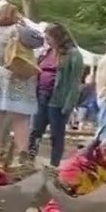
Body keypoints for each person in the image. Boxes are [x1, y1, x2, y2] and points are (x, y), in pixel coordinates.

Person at [0, 3, 44, 164]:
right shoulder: (19, 31)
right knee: (20, 117)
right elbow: (39, 40)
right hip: (15, 73)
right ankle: (23, 153)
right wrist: (23, 24)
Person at [28, 23, 84, 166]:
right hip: (41, 96)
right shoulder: (45, 53)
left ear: (58, 37)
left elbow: (74, 83)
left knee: (56, 135)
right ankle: (29, 159)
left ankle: (54, 165)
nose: (47, 41)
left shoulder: (74, 55)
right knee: (35, 131)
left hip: (58, 100)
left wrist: (69, 104)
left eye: (49, 38)